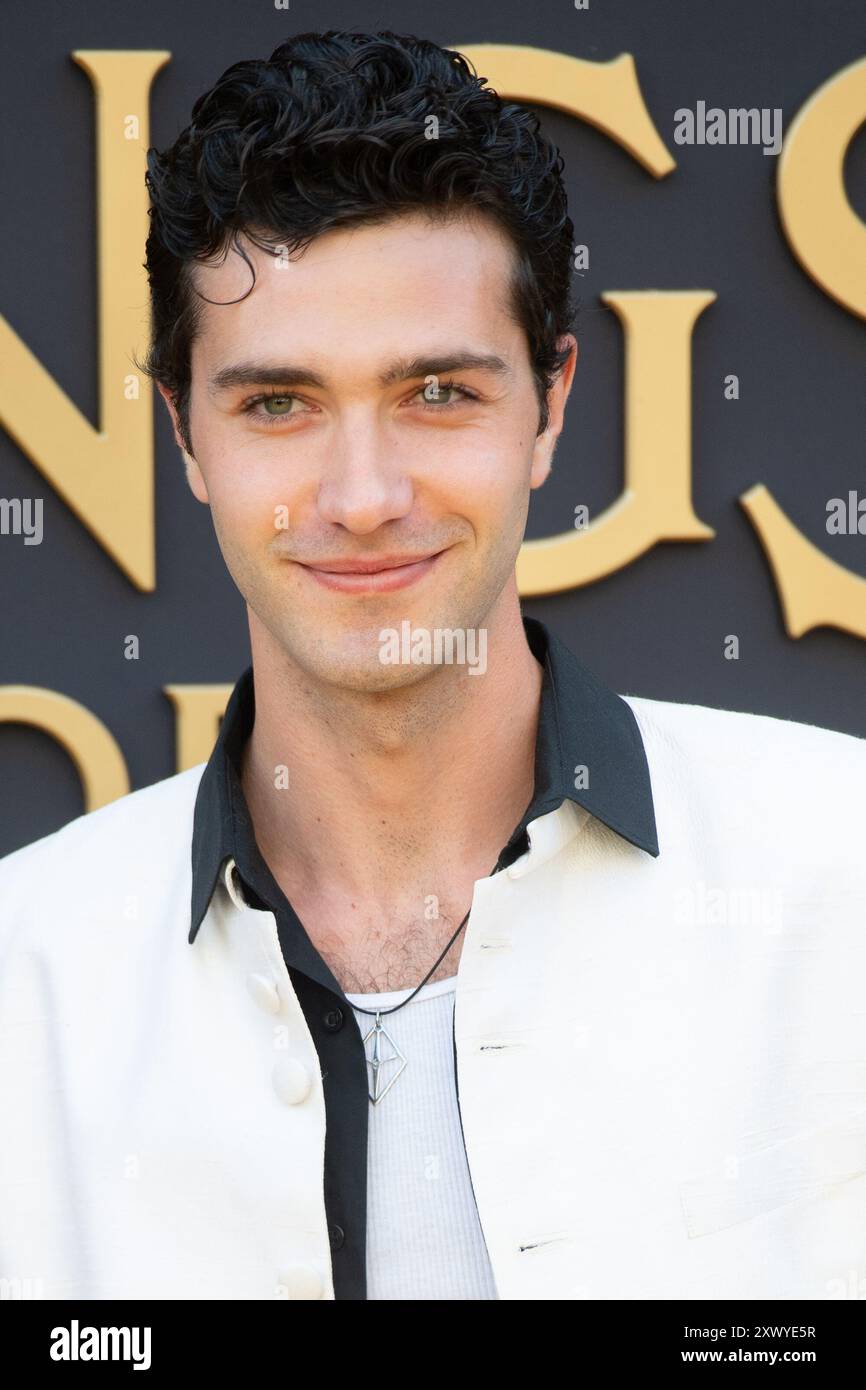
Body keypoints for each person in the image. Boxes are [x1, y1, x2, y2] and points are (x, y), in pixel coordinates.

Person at [1, 29, 864, 1303]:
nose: (361, 496)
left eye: (437, 393)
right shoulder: (26, 980)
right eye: (277, 404)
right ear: (185, 433)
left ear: (549, 404)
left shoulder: (840, 871)